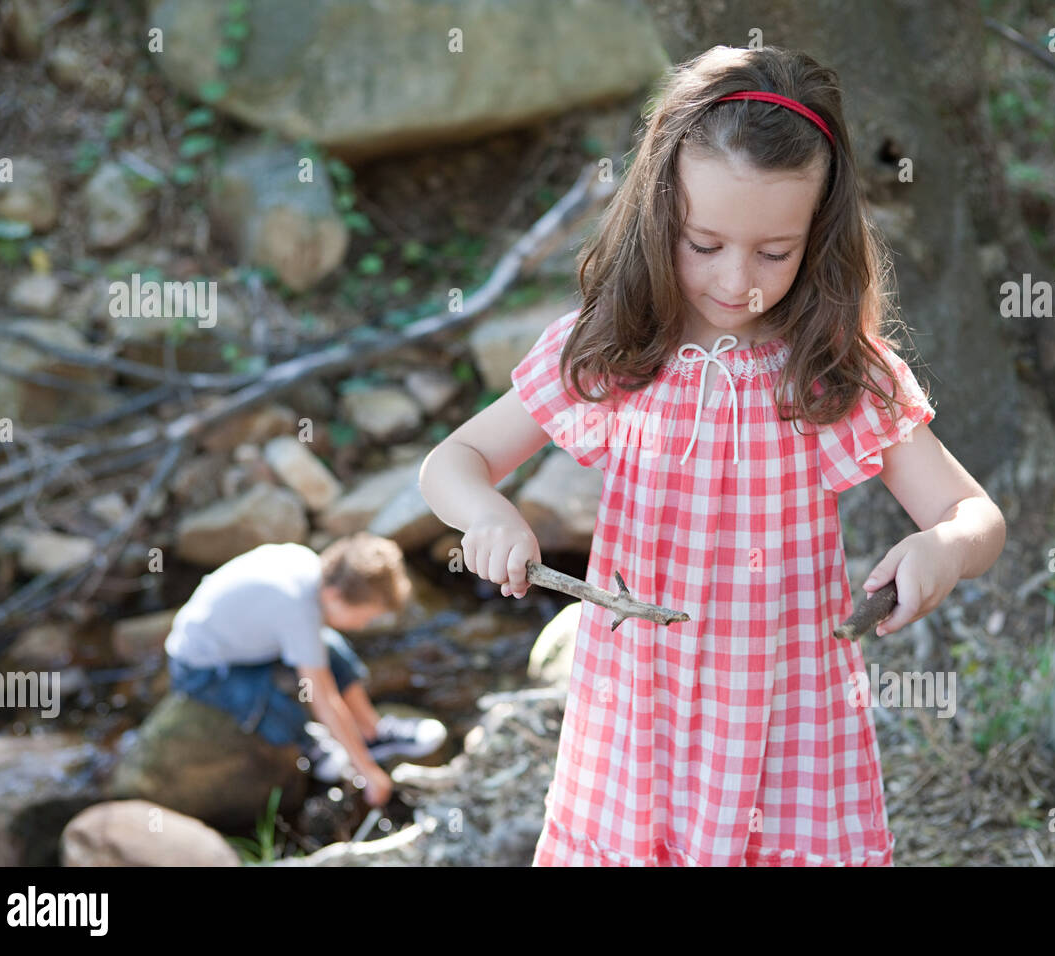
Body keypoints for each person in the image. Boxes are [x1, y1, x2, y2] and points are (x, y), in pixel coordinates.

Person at [418, 45, 1006, 865]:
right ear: (661, 216)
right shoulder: (617, 351)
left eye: (774, 252)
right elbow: (454, 460)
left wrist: (943, 549)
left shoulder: (834, 368)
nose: (739, 282)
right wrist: (487, 516)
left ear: (819, 233)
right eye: (704, 244)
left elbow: (974, 514)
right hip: (636, 719)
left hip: (787, 724)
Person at [164, 532, 446, 808]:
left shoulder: (311, 569)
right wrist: (367, 772)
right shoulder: (296, 606)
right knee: (276, 703)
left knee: (331, 647)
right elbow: (322, 699)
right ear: (335, 595)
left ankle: (371, 732)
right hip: (203, 668)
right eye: (365, 617)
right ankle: (312, 746)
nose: (363, 626)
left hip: (249, 643)